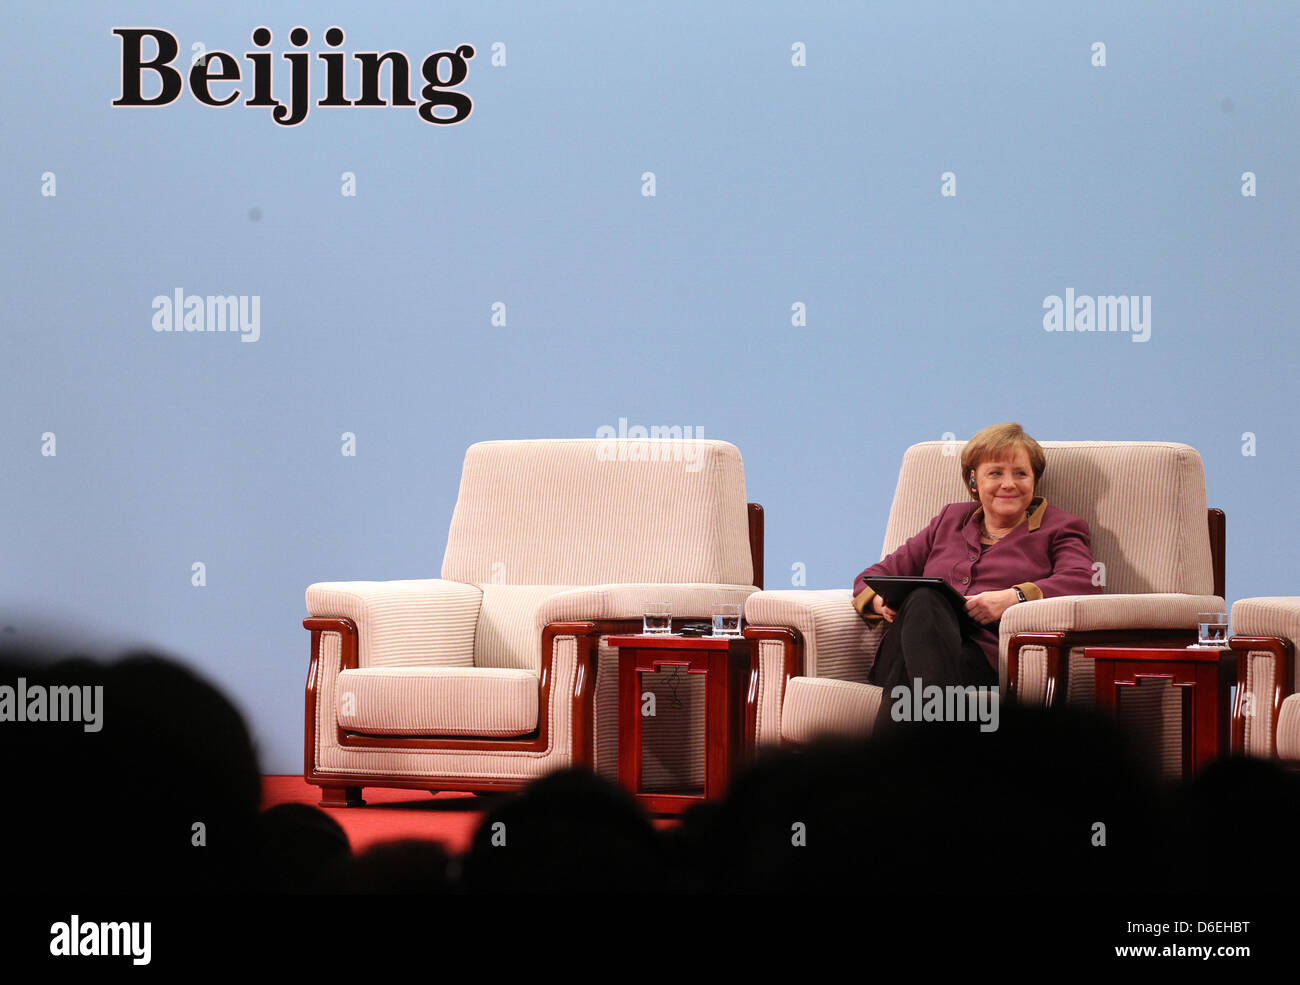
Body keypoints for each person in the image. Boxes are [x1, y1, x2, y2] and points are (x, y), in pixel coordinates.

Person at [853, 423, 1101, 704]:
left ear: (1034, 480)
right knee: (925, 597)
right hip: (910, 647)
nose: (1009, 484)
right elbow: (873, 576)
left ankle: (918, 734)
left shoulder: (1060, 527)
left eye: (1021, 473)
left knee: (911, 679)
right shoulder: (950, 518)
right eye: (995, 473)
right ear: (973, 481)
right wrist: (880, 602)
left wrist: (1013, 597)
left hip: (984, 659)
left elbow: (1085, 581)